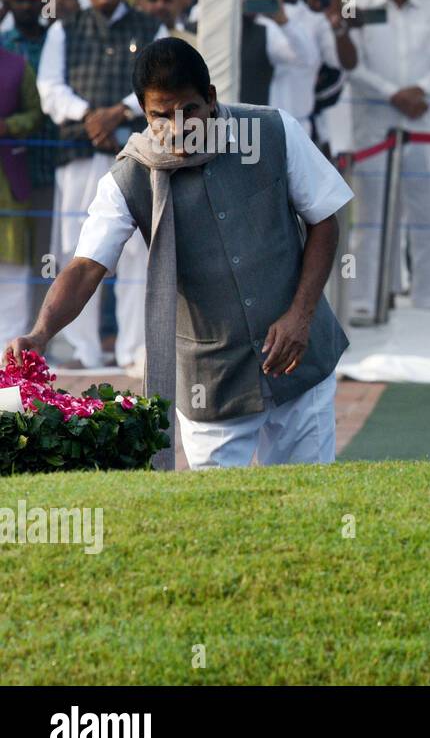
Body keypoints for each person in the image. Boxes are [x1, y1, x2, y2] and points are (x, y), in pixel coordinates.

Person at [6, 37, 353, 470]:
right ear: (143, 113)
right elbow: (86, 266)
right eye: (160, 115)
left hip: (301, 362)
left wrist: (301, 315)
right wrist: (40, 334)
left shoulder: (271, 130)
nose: (177, 126)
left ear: (210, 98)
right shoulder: (129, 176)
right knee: (215, 516)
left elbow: (325, 219)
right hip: (212, 383)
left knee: (310, 507)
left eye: (188, 110)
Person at [36, 0, 167, 370]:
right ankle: (81, 351)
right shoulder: (66, 28)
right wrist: (89, 116)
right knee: (77, 250)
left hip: (136, 154)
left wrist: (121, 111)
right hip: (79, 155)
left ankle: (135, 350)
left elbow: (163, 81)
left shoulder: (150, 26)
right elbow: (50, 89)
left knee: (136, 250)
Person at [346, 0, 430, 321]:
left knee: (428, 214)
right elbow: (351, 65)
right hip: (375, 126)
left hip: (423, 123)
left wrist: (422, 89)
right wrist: (391, 93)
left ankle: (429, 300)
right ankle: (366, 298)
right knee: (372, 218)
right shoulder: (359, 8)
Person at [262, 0, 355, 129]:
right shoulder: (246, 17)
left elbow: (341, 62)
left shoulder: (316, 20)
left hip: (298, 123)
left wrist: (340, 25)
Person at [0, 36, 44, 333]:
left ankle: (9, 359)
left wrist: (7, 126)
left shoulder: (18, 66)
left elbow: (35, 115)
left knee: (13, 263)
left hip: (9, 178)